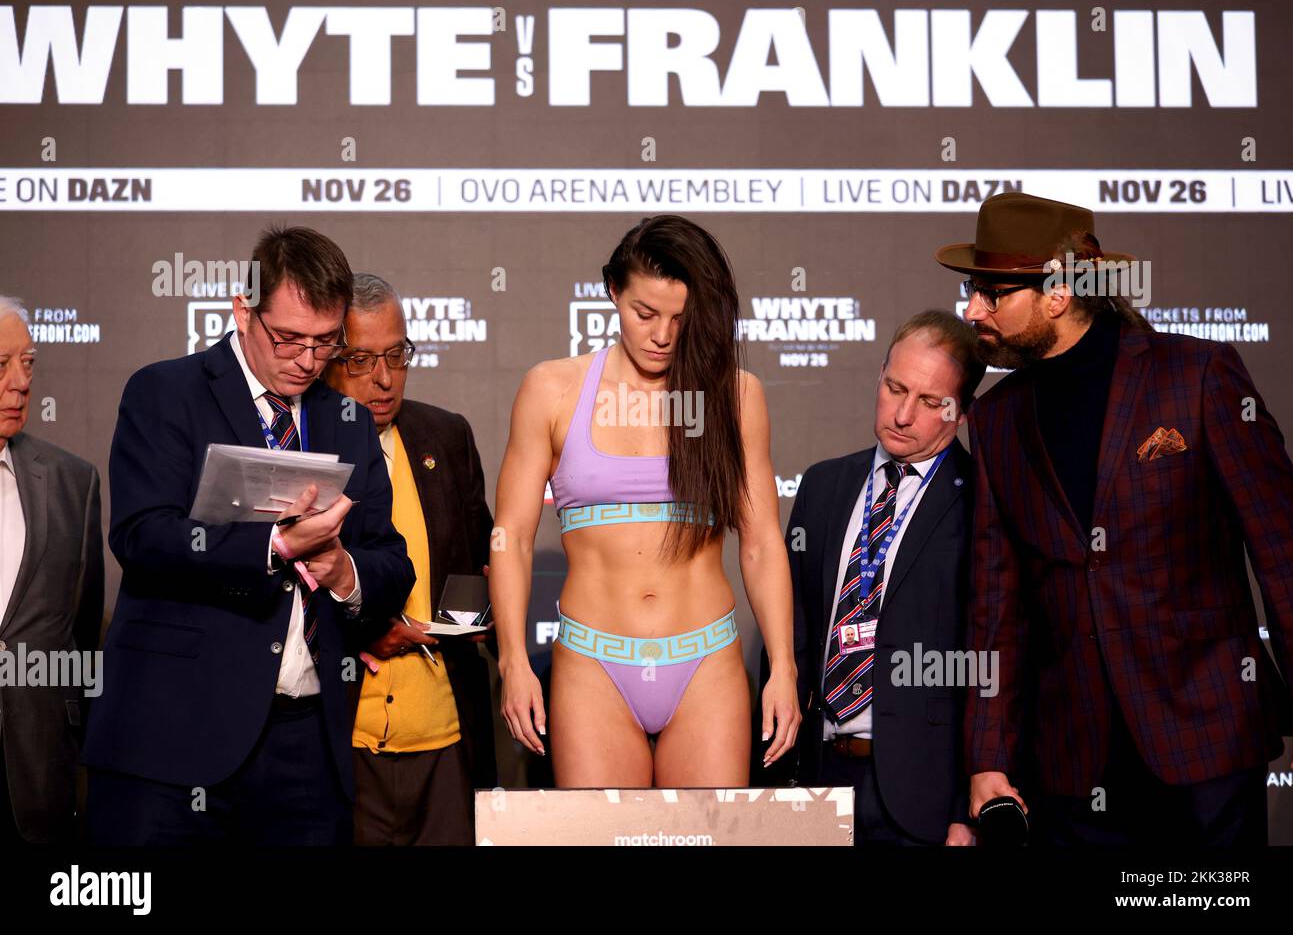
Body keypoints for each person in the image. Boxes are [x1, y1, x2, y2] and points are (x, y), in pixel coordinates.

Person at [942, 191, 1293, 845]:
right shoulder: (995, 418)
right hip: (1072, 767)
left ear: (1056, 293)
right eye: (973, 290)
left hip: (1205, 741)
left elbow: (1284, 553)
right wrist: (989, 756)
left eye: (992, 293)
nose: (972, 311)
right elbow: (997, 607)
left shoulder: (1196, 376)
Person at [83, 227, 414, 845]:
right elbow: (141, 536)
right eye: (288, 337)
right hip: (173, 741)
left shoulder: (345, 419)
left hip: (306, 747)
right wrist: (275, 548)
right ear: (243, 311)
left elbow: (392, 562)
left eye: (326, 342)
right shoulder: (165, 392)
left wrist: (345, 573)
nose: (308, 360)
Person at [491, 215, 800, 786]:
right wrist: (512, 661)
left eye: (681, 319)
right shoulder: (552, 389)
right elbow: (511, 536)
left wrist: (782, 666)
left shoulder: (734, 397)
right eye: (645, 313)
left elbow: (760, 544)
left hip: (707, 661)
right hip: (592, 663)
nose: (662, 335)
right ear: (613, 293)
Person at [756, 310, 983, 845]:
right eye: (894, 387)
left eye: (929, 402)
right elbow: (788, 629)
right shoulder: (822, 485)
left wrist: (963, 810)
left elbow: (988, 663)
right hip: (817, 779)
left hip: (923, 795)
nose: (902, 414)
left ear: (963, 411)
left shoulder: (981, 501)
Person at [324, 272, 496, 845]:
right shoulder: (299, 445)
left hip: (447, 739)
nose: (383, 378)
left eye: (397, 355)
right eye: (362, 360)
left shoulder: (445, 436)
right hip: (343, 741)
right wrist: (365, 635)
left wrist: (485, 616)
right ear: (327, 359)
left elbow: (480, 560)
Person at [0, 297, 104, 844]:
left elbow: (83, 634)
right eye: (1, 365)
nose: (20, 382)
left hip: (41, 773)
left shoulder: (73, 482)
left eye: (29, 362)